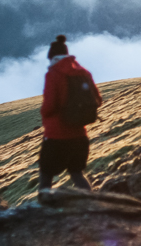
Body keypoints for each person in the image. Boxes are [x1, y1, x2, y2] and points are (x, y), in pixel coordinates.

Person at [39, 34, 101, 191]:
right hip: (80, 135)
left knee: (46, 175)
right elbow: (97, 100)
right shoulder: (84, 73)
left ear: (52, 57)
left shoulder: (53, 74)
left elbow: (50, 106)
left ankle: (43, 212)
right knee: (76, 173)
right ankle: (92, 205)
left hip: (56, 136)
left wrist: (44, 114)